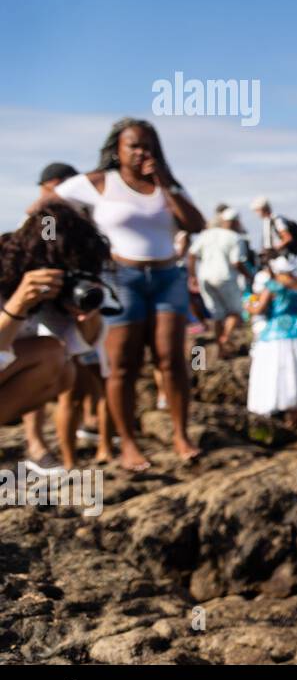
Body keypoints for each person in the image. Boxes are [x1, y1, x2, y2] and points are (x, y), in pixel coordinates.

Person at [36, 119, 206, 470]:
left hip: (166, 276)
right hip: (120, 277)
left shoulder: (167, 185)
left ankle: (181, 435)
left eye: (149, 145)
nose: (143, 152)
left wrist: (167, 184)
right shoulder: (98, 182)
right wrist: (72, 247)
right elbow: (40, 209)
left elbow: (196, 224)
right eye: (135, 145)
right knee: (122, 366)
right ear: (118, 149)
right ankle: (127, 444)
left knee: (170, 359)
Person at [0, 204, 114, 471]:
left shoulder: (51, 289)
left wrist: (87, 313)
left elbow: (79, 347)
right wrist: (17, 305)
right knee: (50, 355)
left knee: (61, 367)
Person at [246, 256, 297, 424]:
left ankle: (286, 415)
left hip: (275, 336)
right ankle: (294, 414)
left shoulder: (273, 286)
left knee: (278, 373)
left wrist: (247, 305)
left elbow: (259, 310)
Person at [188, 208, 253, 358]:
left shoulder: (206, 235)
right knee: (236, 312)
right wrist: (249, 276)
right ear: (236, 222)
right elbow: (236, 262)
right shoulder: (235, 237)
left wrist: (192, 276)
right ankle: (225, 338)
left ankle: (221, 349)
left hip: (204, 277)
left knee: (217, 315)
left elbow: (191, 254)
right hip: (225, 277)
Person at [250, 196, 293, 262]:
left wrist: (274, 250)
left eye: (257, 210)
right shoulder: (267, 221)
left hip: (280, 258)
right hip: (273, 258)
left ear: (263, 209)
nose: (256, 213)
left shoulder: (276, 220)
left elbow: (287, 238)